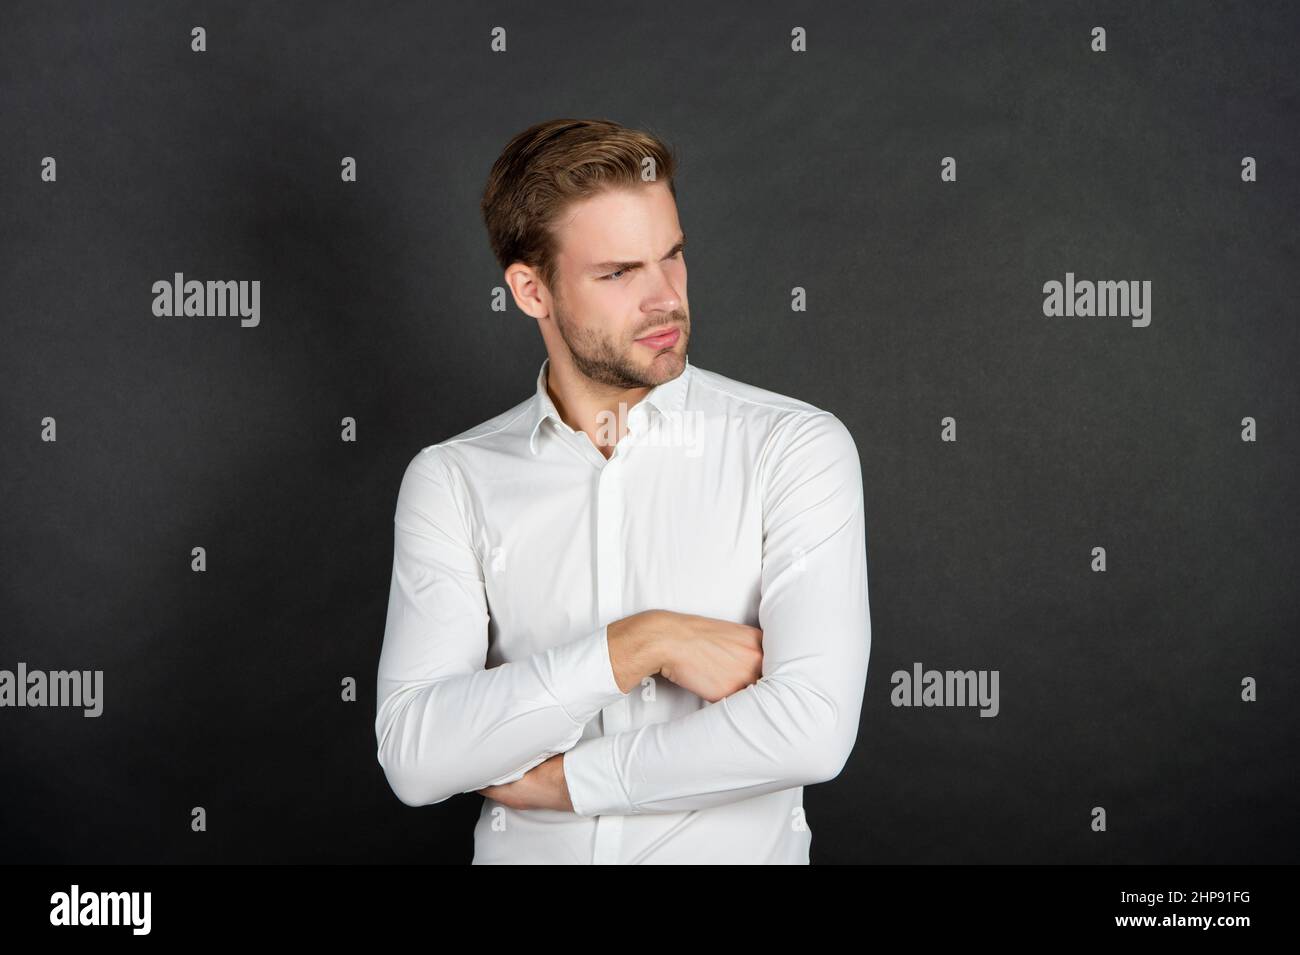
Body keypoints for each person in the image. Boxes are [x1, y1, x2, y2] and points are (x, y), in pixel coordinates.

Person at [374, 118, 872, 864]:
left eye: (672, 256)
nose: (665, 298)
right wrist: (641, 642)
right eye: (618, 273)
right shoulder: (452, 479)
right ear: (530, 289)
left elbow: (813, 727)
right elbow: (416, 756)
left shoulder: (793, 448)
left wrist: (573, 781)